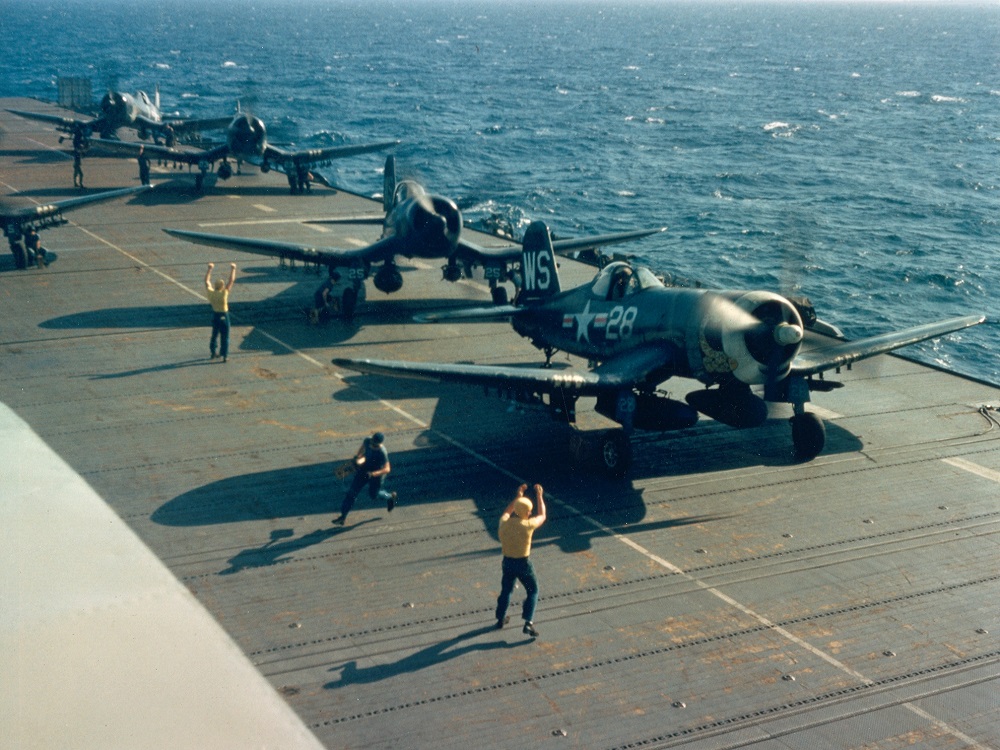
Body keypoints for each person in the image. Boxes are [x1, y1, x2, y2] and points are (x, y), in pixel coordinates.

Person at [495, 483, 546, 637]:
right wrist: (539, 496)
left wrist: (518, 496)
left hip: (507, 562)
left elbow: (507, 511)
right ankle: (528, 622)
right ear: (527, 513)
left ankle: (500, 618)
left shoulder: (503, 523)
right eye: (529, 511)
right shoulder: (528, 525)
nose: (531, 513)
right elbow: (542, 515)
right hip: (523, 564)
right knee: (533, 591)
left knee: (507, 590)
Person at [334, 432, 397, 525]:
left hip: (376, 475)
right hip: (363, 471)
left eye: (375, 445)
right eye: (372, 443)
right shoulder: (367, 440)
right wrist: (357, 457)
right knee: (351, 493)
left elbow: (387, 469)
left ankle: (390, 497)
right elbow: (362, 448)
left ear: (379, 444)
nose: (372, 446)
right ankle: (342, 517)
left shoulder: (382, 452)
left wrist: (373, 474)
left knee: (374, 495)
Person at [205, 262, 236, 362]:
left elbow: (206, 281)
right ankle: (225, 355)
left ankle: (213, 352)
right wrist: (233, 269)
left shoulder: (211, 293)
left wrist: (210, 269)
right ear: (222, 286)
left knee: (214, 335)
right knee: (225, 336)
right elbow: (231, 281)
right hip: (224, 315)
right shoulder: (224, 293)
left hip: (215, 315)